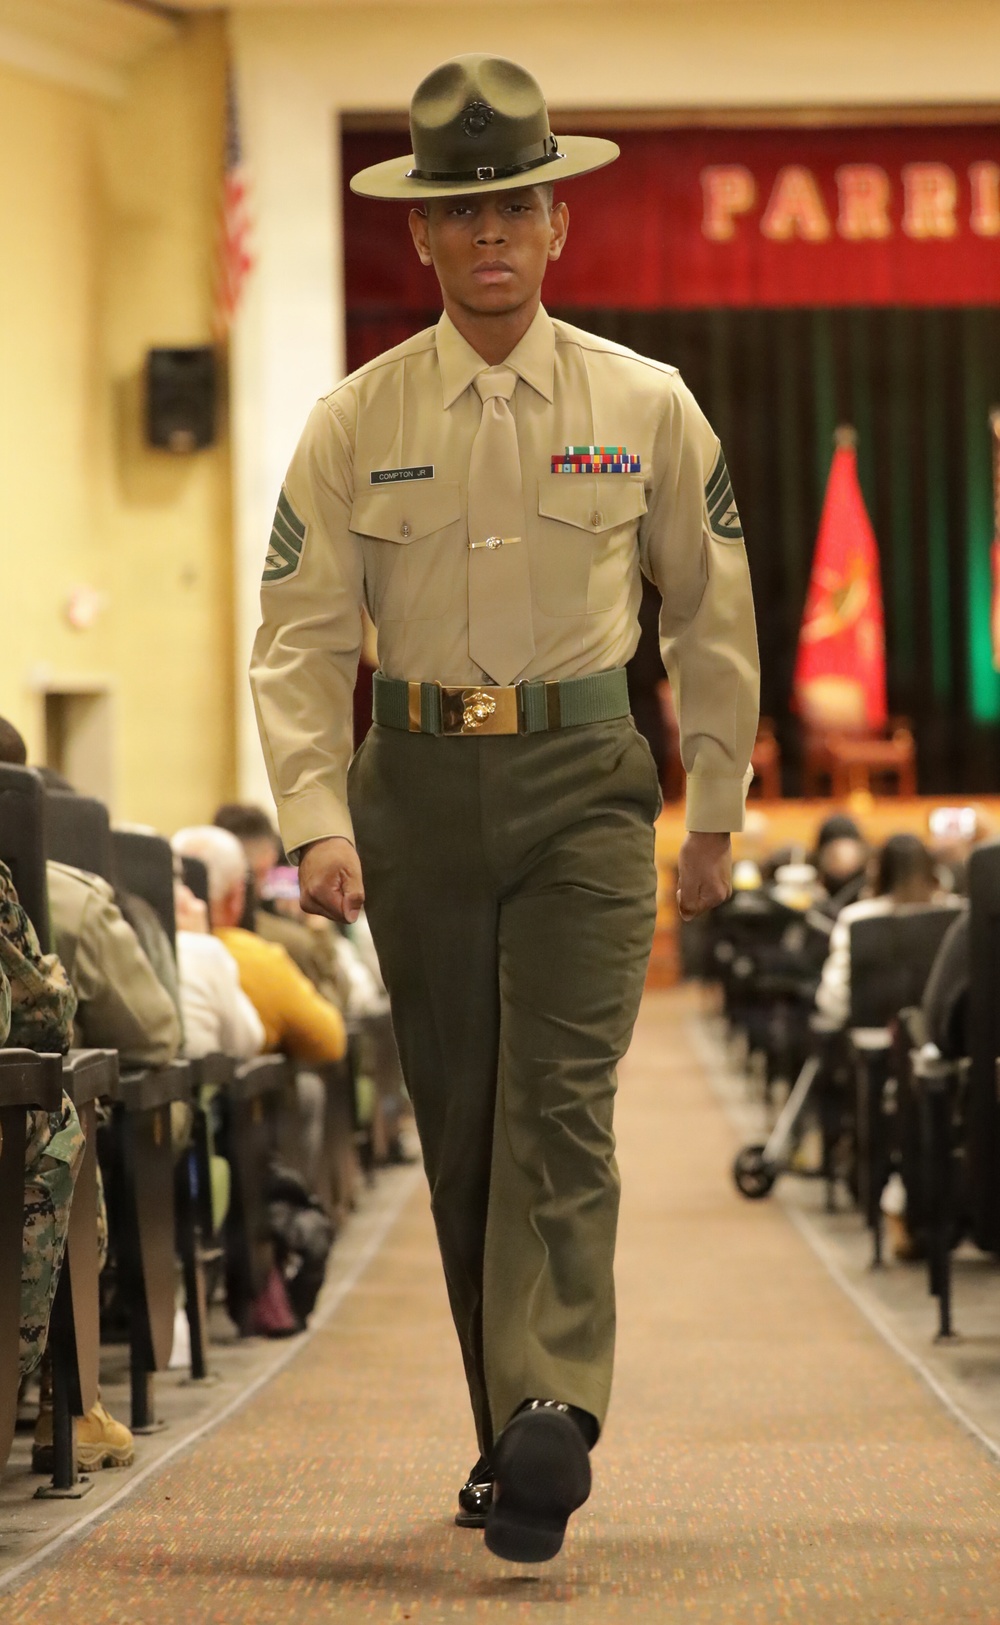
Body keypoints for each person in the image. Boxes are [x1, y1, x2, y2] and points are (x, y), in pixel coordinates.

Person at [250, 54, 758, 1564]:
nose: (490, 232)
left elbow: (711, 611)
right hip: (412, 791)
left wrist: (715, 804)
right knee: (464, 1127)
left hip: (585, 784)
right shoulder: (354, 420)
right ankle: (514, 1437)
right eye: (462, 210)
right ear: (419, 233)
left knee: (559, 1105)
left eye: (516, 206)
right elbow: (299, 638)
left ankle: (554, 1409)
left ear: (557, 225)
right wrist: (315, 813)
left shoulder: (645, 403)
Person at [814, 833, 958, 1031]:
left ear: (879, 872)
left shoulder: (856, 917)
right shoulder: (959, 914)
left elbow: (832, 998)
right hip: (942, 1036)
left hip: (872, 1039)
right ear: (932, 871)